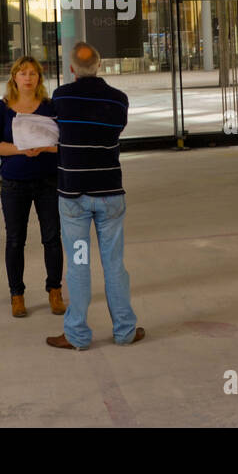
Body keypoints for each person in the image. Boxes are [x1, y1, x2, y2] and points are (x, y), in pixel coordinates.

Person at [46, 42, 143, 350]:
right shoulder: (119, 101)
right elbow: (113, 133)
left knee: (78, 264)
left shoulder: (61, 97)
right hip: (110, 194)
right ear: (99, 66)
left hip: (74, 197)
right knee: (114, 264)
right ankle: (125, 331)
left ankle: (76, 334)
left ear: (72, 68)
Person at [0, 55, 64, 318]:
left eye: (32, 73)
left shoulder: (51, 107)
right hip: (14, 183)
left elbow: (62, 144)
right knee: (15, 240)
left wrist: (44, 148)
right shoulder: (2, 108)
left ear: (39, 78)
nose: (28, 78)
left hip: (48, 181)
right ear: (14, 78)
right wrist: (22, 150)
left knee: (52, 238)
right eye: (23, 73)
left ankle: (55, 290)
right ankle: (16, 294)